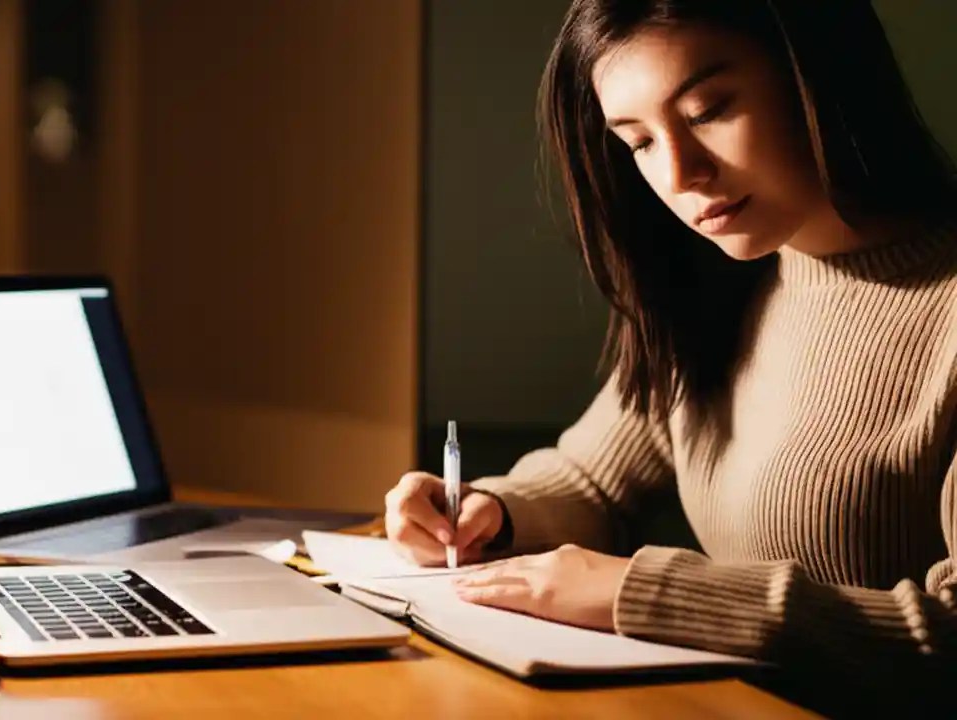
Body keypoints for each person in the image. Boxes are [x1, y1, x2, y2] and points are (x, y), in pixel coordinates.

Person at [384, 0, 957, 706]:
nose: (680, 174)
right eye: (639, 141)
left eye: (709, 109)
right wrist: (486, 514)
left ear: (821, 75)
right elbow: (593, 479)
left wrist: (650, 592)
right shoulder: (722, 282)